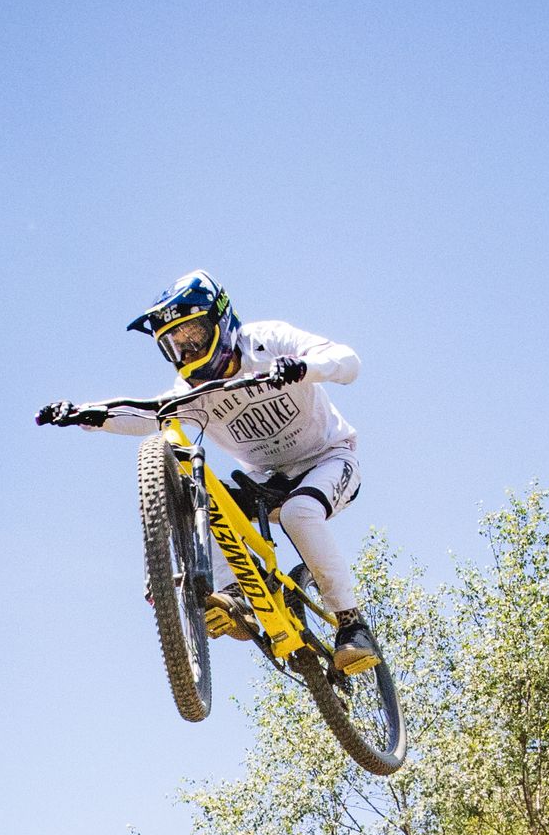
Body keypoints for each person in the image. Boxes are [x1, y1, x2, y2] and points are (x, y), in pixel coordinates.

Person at [36, 270, 379, 674]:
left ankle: (352, 625)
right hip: (268, 480)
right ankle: (238, 594)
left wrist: (303, 367)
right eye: (174, 346)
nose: (187, 351)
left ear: (221, 320)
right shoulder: (192, 393)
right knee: (200, 503)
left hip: (329, 459)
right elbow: (146, 414)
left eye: (193, 335)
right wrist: (84, 414)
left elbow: (348, 362)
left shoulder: (266, 341)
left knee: (299, 514)